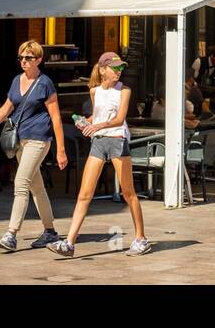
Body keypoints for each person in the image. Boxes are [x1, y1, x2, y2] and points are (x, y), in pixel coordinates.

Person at [49, 53, 151, 257]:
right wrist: (86, 123)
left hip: (117, 140)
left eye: (121, 68)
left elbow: (120, 119)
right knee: (84, 194)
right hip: (99, 141)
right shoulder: (94, 90)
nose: (119, 71)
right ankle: (69, 242)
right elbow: (97, 115)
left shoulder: (125, 90)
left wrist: (97, 126)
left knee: (128, 193)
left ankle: (141, 238)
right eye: (115, 68)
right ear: (103, 70)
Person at [0, 41, 68, 252]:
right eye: (21, 58)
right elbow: (5, 109)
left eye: (28, 58)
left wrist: (60, 150)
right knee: (37, 187)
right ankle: (50, 231)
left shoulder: (45, 83)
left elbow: (56, 118)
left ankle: (11, 234)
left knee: (21, 182)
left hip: (38, 139)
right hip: (20, 139)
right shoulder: (17, 80)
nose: (24, 61)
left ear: (39, 60)